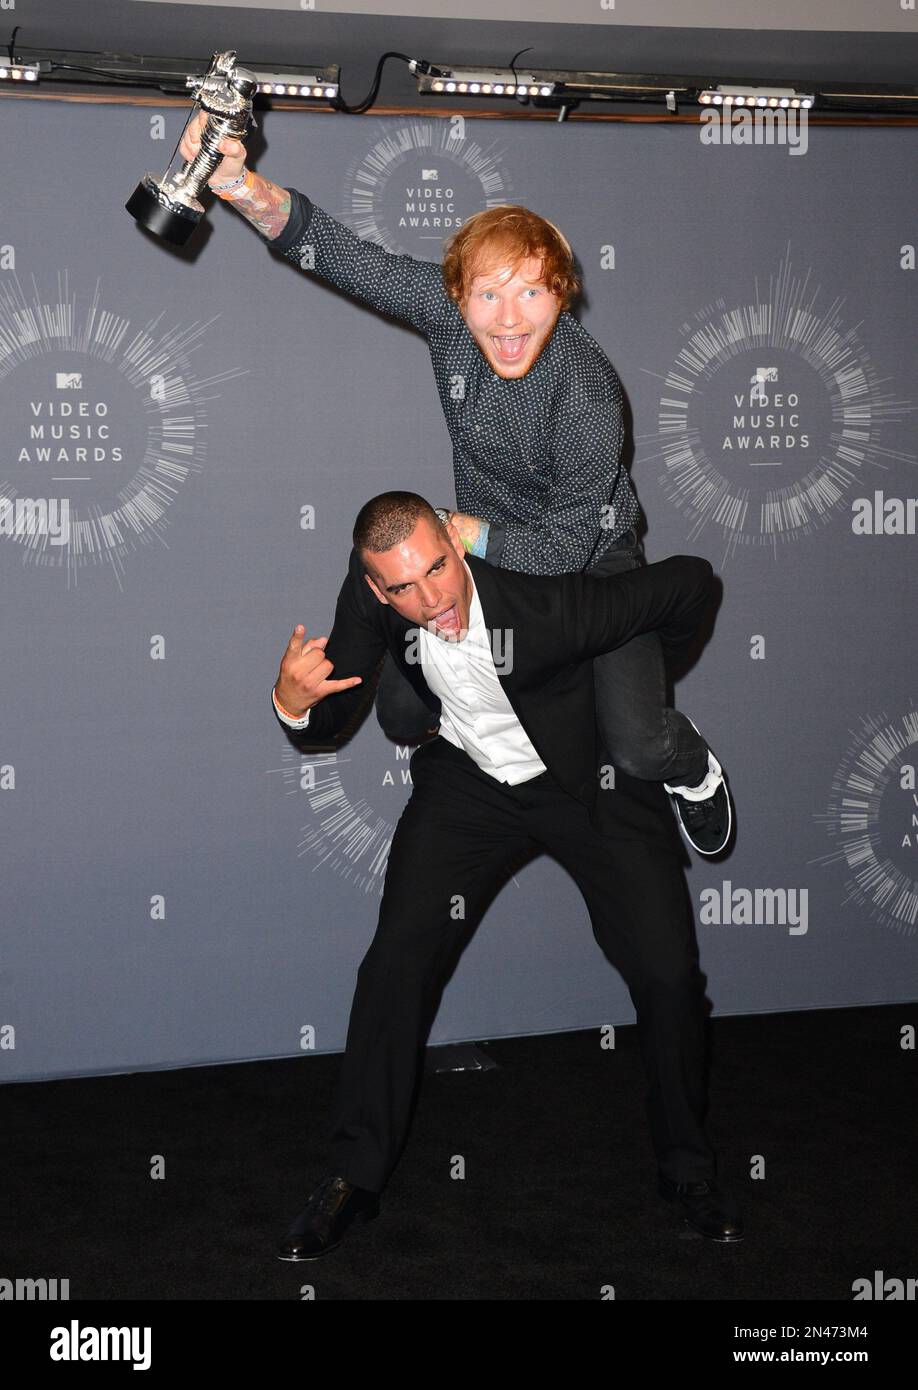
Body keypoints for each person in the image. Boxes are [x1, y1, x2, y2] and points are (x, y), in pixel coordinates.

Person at [177, 115, 732, 858]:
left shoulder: (589, 394)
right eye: (487, 297)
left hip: (591, 558)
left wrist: (461, 534)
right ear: (457, 297)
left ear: (561, 296)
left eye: (531, 295)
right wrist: (237, 183)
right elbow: (334, 251)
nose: (508, 321)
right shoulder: (446, 317)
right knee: (404, 713)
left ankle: (691, 763)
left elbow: (566, 545)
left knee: (635, 746)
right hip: (483, 549)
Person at [269, 490, 744, 1259]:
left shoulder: (554, 602)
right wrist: (290, 703)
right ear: (373, 584)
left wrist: (642, 698)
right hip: (471, 782)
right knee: (396, 960)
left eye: (438, 572)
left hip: (587, 776)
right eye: (404, 588)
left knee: (666, 974)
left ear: (458, 545)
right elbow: (333, 706)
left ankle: (688, 1173)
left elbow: (690, 583)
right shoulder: (376, 597)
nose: (430, 599)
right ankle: (353, 1176)